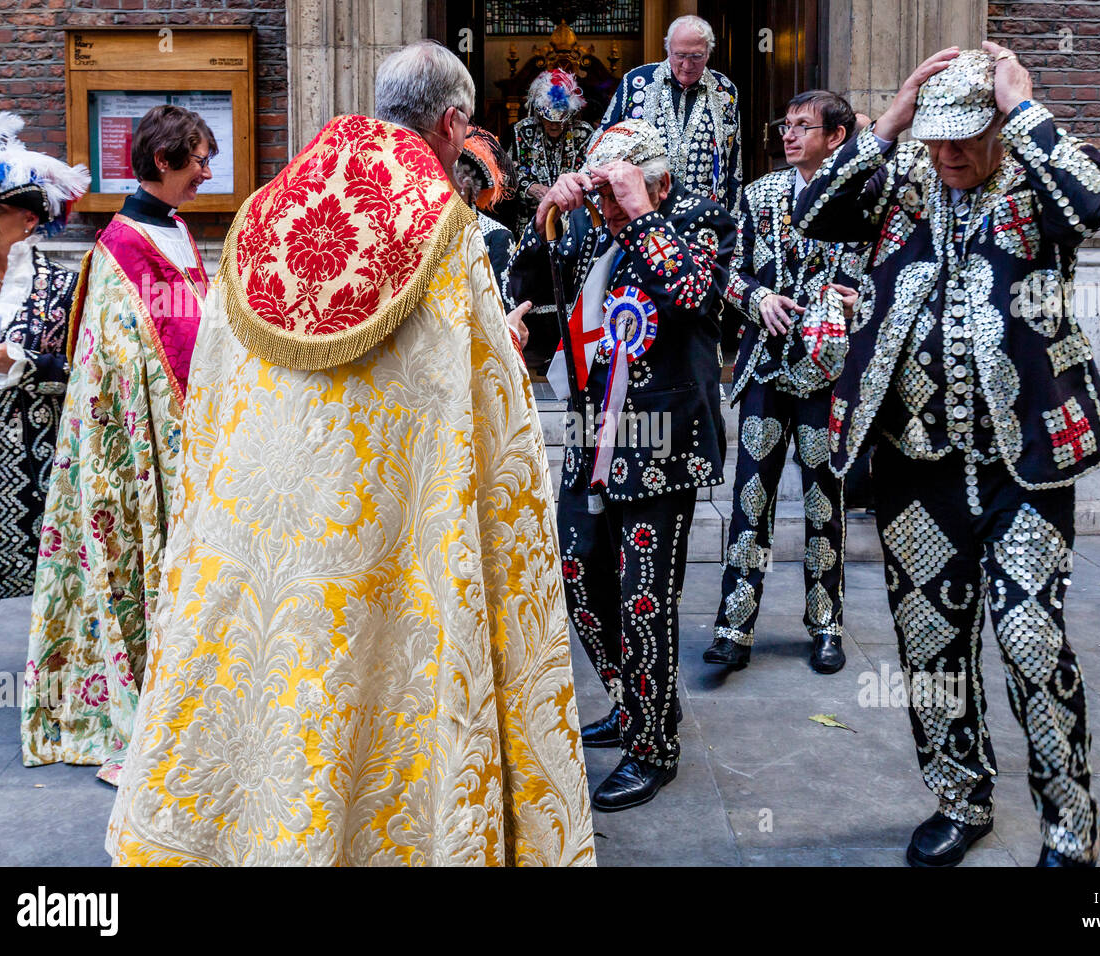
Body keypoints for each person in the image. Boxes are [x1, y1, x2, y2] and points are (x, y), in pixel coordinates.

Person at [105, 39, 594, 866]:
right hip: (388, 544)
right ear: (453, 123)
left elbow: (216, 393)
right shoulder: (447, 229)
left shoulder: (266, 212)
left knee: (273, 679)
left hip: (262, 537)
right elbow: (495, 420)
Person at [796, 44, 1100, 867]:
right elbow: (813, 212)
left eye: (963, 140)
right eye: (935, 139)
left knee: (1029, 639)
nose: (948, 156)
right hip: (917, 469)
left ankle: (1069, 822)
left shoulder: (1036, 178)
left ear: (996, 131)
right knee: (928, 644)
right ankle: (959, 796)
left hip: (1025, 467)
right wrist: (898, 110)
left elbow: (1091, 206)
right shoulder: (902, 179)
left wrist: (1023, 105)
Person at [505, 119, 735, 811]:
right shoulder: (586, 226)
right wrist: (548, 214)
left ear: (657, 182)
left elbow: (702, 298)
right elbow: (526, 284)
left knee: (644, 599)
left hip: (660, 440)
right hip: (587, 429)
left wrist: (638, 216)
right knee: (579, 579)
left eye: (619, 192)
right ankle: (636, 704)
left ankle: (653, 748)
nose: (605, 207)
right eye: (601, 193)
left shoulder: (699, 216)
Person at [21, 104, 214, 786]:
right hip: (134, 454)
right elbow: (108, 371)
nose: (206, 172)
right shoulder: (120, 247)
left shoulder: (179, 229)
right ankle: (130, 727)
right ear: (162, 162)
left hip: (188, 439)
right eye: (197, 160)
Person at [704, 91, 863, 675]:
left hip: (828, 375)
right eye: (785, 125)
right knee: (751, 503)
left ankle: (826, 626)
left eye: (803, 126)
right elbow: (727, 272)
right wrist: (757, 297)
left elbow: (884, 284)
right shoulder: (758, 194)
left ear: (836, 136)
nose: (789, 135)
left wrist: (859, 299)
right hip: (766, 369)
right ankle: (734, 629)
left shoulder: (859, 199)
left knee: (825, 505)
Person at [0, 113, 88, 603]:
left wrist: (28, 365)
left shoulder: (64, 287)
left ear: (30, 219)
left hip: (37, 472)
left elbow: (88, 374)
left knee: (40, 601)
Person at [594, 15, 742, 220]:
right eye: (680, 55)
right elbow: (601, 143)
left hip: (702, 216)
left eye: (697, 56)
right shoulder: (637, 82)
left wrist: (732, 219)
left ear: (708, 53)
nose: (687, 65)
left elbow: (733, 160)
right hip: (642, 211)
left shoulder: (724, 91)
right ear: (668, 50)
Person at [513, 69, 593, 237]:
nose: (554, 126)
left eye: (560, 121)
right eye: (549, 120)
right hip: (531, 219)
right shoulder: (522, 131)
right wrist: (531, 188)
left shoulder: (584, 134)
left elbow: (589, 174)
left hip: (572, 221)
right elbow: (508, 174)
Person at [454, 125, 518, 308]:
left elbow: (502, 307)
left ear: (470, 190)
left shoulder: (497, 236)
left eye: (453, 185)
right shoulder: (427, 228)